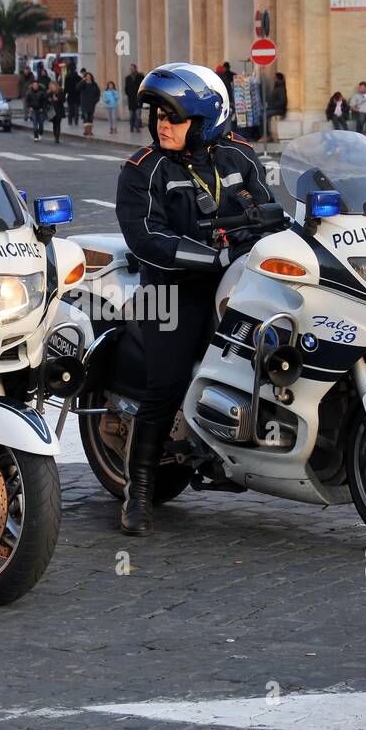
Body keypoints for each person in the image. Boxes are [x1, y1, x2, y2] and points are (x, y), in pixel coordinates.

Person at [114, 63, 275, 536]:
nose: (162, 123)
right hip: (169, 290)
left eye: (174, 116)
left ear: (205, 120)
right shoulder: (143, 171)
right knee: (164, 385)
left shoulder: (240, 156)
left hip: (238, 280)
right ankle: (139, 491)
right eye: (158, 114)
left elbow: (269, 211)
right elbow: (147, 238)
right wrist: (214, 256)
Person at [265, 71, 287, 142]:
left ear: (277, 79)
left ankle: (266, 135)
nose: (274, 79)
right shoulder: (277, 87)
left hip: (279, 109)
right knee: (263, 113)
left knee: (264, 115)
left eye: (275, 78)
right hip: (274, 108)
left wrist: (271, 106)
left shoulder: (280, 88)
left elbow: (282, 101)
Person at [78, 71, 101, 137]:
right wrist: (82, 81)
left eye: (89, 77)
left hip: (91, 104)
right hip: (84, 103)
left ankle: (90, 131)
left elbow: (98, 93)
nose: (88, 78)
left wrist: (96, 100)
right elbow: (77, 87)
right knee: (85, 117)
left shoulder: (94, 84)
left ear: (91, 77)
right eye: (87, 77)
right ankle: (86, 131)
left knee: (90, 118)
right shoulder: (83, 84)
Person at [123, 62, 143, 132]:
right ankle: (131, 126)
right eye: (130, 69)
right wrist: (128, 94)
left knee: (138, 115)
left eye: (132, 68)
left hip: (138, 99)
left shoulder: (140, 77)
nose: (131, 70)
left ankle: (137, 127)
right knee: (131, 115)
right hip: (131, 99)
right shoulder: (128, 78)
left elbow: (143, 87)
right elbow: (126, 88)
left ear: (135, 68)